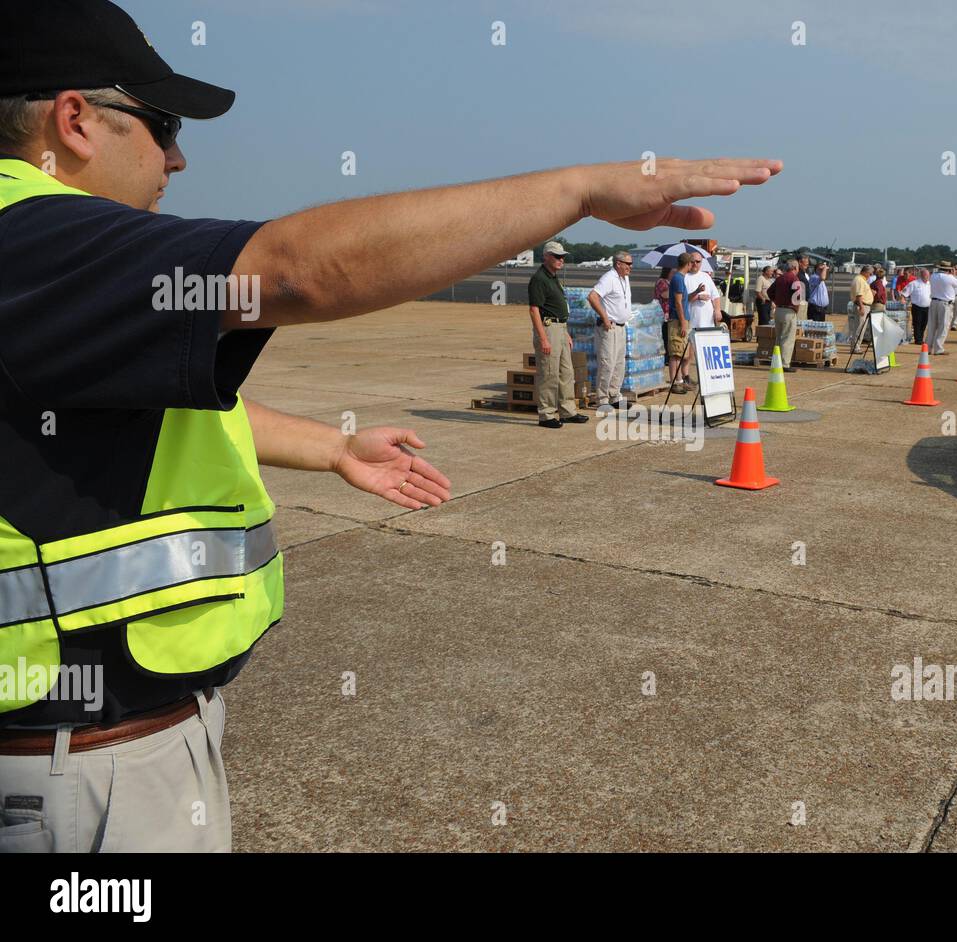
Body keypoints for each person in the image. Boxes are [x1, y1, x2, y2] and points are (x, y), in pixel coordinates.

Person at [0, 0, 781, 853]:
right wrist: (578, 191)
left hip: (97, 748)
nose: (179, 159)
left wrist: (331, 446)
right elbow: (298, 269)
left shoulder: (47, 268)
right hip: (84, 774)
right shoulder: (31, 239)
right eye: (162, 124)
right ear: (73, 119)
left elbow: (139, 408)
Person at [529, 244, 590, 427]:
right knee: (549, 373)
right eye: (557, 256)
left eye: (562, 256)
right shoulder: (539, 279)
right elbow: (534, 310)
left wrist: (566, 333)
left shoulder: (553, 277)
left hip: (560, 328)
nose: (561, 259)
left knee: (566, 372)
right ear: (546, 256)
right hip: (549, 329)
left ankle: (567, 410)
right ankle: (546, 414)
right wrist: (543, 338)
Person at [587, 251, 635, 412]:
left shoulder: (624, 278)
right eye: (628, 264)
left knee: (619, 364)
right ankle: (602, 399)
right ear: (618, 264)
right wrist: (605, 318)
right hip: (609, 327)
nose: (631, 267)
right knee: (607, 363)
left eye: (631, 263)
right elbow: (593, 296)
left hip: (621, 327)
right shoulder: (609, 278)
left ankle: (615, 395)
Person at [767, 258, 801, 372]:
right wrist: (796, 308)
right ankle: (785, 364)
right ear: (795, 268)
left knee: (779, 338)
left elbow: (769, 292)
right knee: (787, 338)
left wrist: (775, 300)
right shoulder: (794, 279)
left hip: (778, 310)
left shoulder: (780, 278)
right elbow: (797, 296)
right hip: (789, 311)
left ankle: (776, 362)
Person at [666, 253, 693, 393]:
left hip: (680, 319)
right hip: (677, 320)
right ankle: (674, 383)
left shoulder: (679, 278)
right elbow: (678, 302)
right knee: (676, 353)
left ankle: (680, 380)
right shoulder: (678, 278)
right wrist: (683, 322)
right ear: (688, 264)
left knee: (681, 352)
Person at [926, 262, 957, 354]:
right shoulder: (949, 277)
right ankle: (938, 348)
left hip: (934, 302)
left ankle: (927, 348)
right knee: (943, 326)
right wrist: (954, 275)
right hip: (945, 304)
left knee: (932, 326)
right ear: (949, 269)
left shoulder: (933, 276)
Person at [683, 251, 722, 336]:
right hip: (692, 320)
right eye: (692, 261)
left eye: (698, 261)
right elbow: (683, 299)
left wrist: (717, 310)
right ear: (688, 262)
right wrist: (698, 297)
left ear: (701, 262)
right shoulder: (685, 277)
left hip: (708, 320)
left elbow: (715, 296)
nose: (695, 264)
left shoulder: (706, 276)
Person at [903, 268, 932, 344]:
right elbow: (904, 293)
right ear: (922, 275)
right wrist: (902, 300)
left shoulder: (930, 284)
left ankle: (921, 338)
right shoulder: (914, 283)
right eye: (926, 275)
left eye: (928, 275)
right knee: (917, 323)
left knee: (924, 323)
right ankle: (918, 340)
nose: (927, 277)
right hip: (917, 307)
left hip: (927, 307)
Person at [847, 264, 872, 350]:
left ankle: (856, 346)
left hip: (864, 305)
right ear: (865, 272)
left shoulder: (861, 280)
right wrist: (861, 307)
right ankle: (855, 347)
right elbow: (859, 295)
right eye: (870, 273)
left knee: (861, 327)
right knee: (859, 328)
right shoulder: (859, 280)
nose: (870, 276)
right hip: (862, 305)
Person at [654, 265, 672, 357]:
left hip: (668, 314)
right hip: (663, 313)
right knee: (664, 336)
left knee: (667, 336)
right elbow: (664, 294)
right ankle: (665, 357)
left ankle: (667, 356)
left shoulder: (669, 282)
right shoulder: (662, 282)